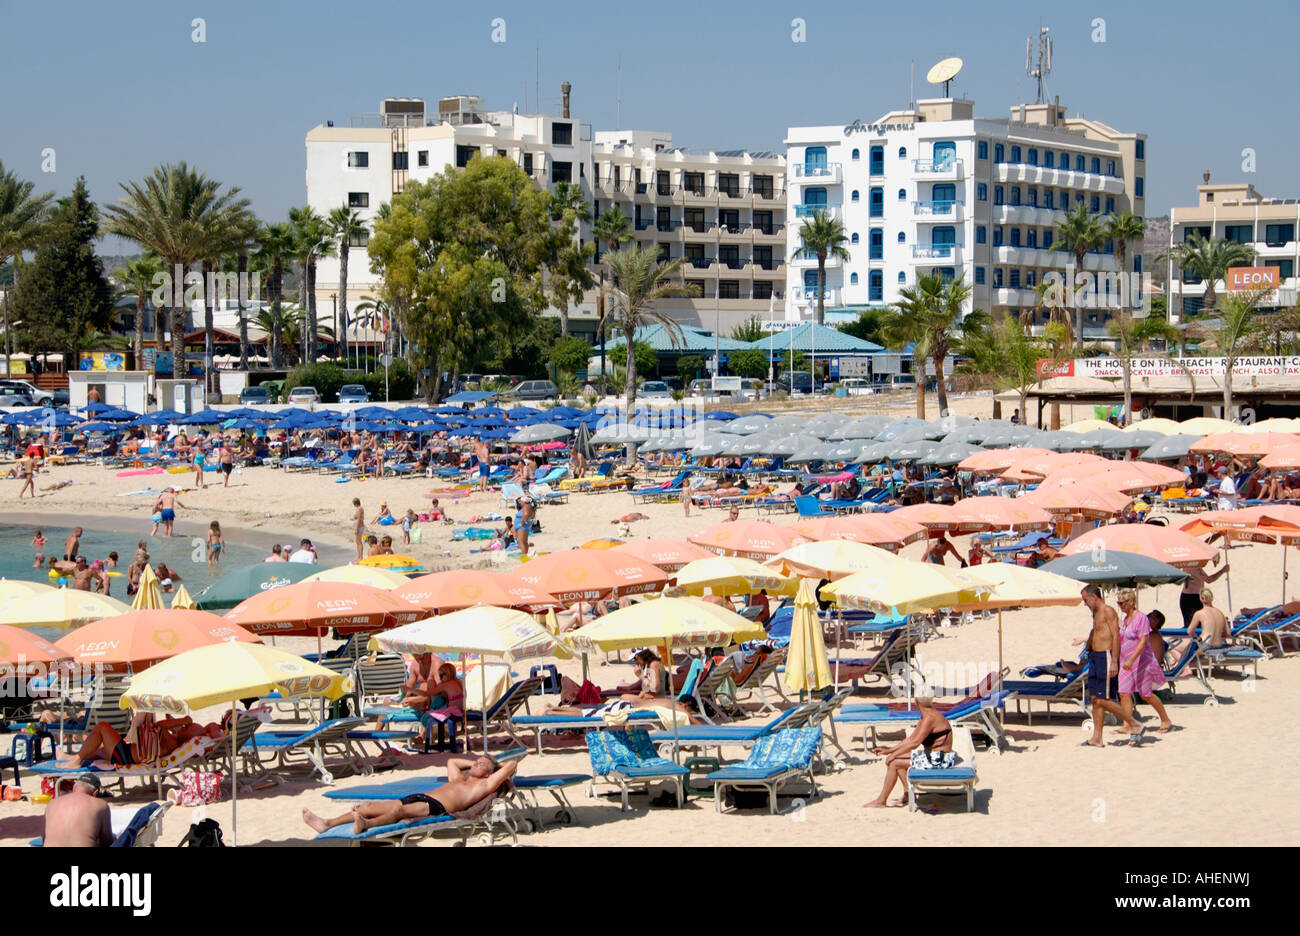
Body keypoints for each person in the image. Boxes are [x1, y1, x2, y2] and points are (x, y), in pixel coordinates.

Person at [302, 755, 517, 835]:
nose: (477, 762)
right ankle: (327, 823)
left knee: (399, 811)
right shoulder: (458, 779)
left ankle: (366, 826)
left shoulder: (483, 786)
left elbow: (511, 764)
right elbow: (451, 762)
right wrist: (475, 763)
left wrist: (492, 767)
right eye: (477, 760)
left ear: (489, 772)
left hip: (435, 806)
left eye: (482, 764)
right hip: (420, 796)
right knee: (366, 806)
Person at [1077, 585, 1144, 747]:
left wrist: (1114, 660)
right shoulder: (1095, 613)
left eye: (1086, 600)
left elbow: (1115, 636)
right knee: (1094, 699)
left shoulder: (1108, 611)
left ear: (1094, 597)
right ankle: (1097, 738)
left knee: (1102, 699)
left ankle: (1133, 722)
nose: (1085, 604)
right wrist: (1089, 644)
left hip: (1105, 657)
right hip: (1095, 656)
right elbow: (1097, 631)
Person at [863, 696, 955, 809]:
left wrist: (893, 756)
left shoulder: (929, 717)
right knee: (895, 760)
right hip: (933, 756)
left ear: (916, 701)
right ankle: (907, 793)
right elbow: (910, 740)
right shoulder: (925, 716)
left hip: (940, 759)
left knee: (894, 763)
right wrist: (889, 751)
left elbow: (915, 743)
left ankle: (881, 801)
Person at [1115, 589, 1174, 733]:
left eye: (1122, 603)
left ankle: (1165, 719)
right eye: (1118, 603)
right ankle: (1127, 724)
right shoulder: (1125, 620)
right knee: (1124, 692)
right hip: (1125, 661)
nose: (1120, 606)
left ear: (1131, 602)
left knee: (1145, 694)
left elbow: (1143, 641)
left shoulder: (1141, 618)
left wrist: (1132, 659)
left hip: (1141, 661)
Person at [41, 773, 112, 847]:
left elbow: (44, 838)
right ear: (95, 792)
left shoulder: (52, 803)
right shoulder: (100, 805)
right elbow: (107, 841)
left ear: (74, 788)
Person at [1179, 560, 1229, 627]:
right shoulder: (1193, 567)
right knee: (1192, 624)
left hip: (1193, 596)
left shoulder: (1191, 564)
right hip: (1191, 599)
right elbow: (1208, 580)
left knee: (1200, 622)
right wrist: (1222, 571)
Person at [351, 497, 365, 561]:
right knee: (357, 542)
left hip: (359, 527)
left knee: (359, 542)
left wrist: (356, 528)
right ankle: (358, 556)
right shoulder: (360, 508)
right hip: (359, 526)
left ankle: (360, 557)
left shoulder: (359, 509)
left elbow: (359, 519)